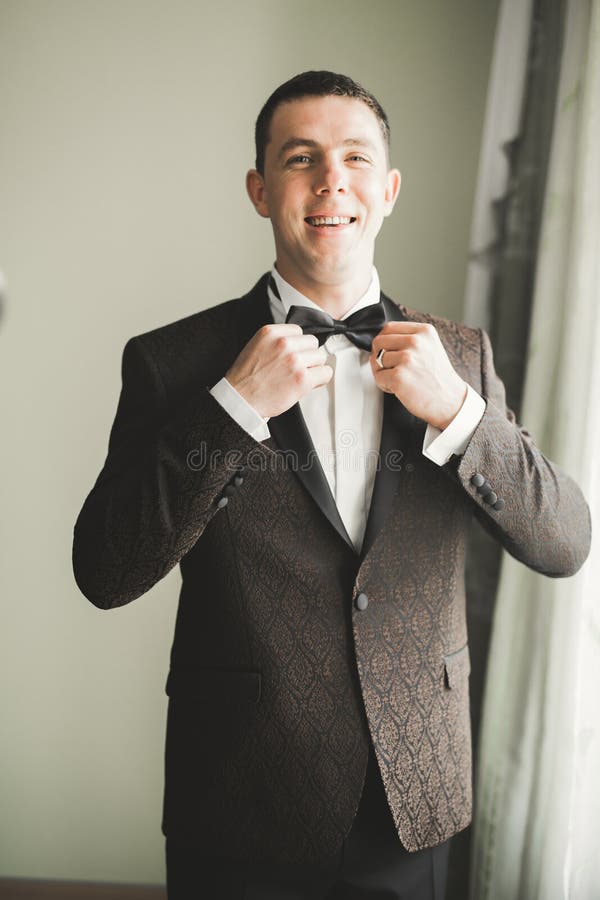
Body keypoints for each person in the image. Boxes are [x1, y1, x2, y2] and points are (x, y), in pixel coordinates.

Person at [72, 71, 591, 899]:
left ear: (386, 191)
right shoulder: (172, 364)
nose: (330, 181)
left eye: (355, 158)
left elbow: (564, 541)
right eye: (300, 158)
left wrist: (458, 414)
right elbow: (104, 569)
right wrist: (232, 406)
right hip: (240, 799)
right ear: (260, 188)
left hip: (411, 795)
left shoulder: (463, 361)